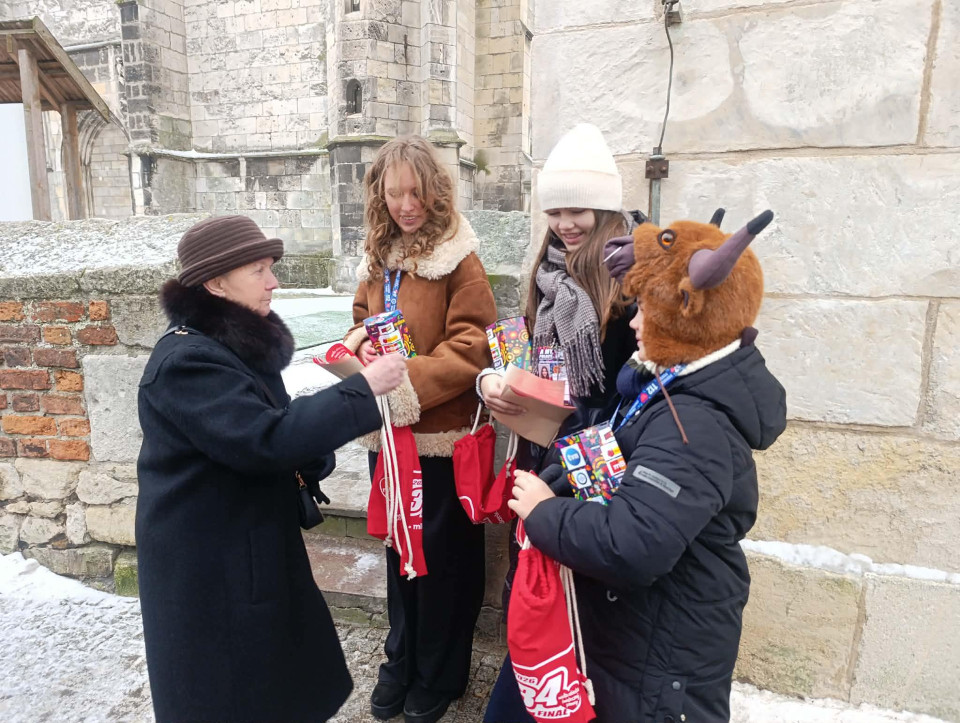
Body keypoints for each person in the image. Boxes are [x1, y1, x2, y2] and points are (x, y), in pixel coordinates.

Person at [508, 211, 788, 721]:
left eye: (648, 310)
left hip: (659, 659)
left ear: (688, 319)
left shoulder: (694, 424)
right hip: (635, 634)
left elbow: (633, 545)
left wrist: (546, 513)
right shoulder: (667, 385)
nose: (635, 322)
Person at [136, 215, 407, 723]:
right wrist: (363, 389)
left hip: (247, 546)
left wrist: (312, 449)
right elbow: (264, 441)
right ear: (216, 284)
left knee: (276, 682)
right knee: (232, 695)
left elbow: (271, 427)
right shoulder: (187, 362)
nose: (273, 282)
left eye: (270, 268)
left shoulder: (229, 345)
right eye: (258, 270)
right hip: (209, 570)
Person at [477, 123, 641, 722]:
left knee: (582, 604)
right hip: (541, 449)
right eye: (555, 212)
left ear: (605, 208)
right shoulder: (544, 273)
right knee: (534, 588)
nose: (566, 224)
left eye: (578, 211)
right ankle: (538, 682)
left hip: (599, 465)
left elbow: (633, 384)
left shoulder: (630, 276)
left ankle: (565, 693)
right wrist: (495, 383)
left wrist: (573, 417)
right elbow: (522, 354)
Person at [342, 135, 498, 723]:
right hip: (389, 435)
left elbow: (473, 345)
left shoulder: (460, 258)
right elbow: (363, 317)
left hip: (440, 438)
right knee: (398, 552)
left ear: (435, 191)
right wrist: (358, 348)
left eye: (416, 192)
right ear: (379, 194)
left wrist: (408, 385)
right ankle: (401, 659)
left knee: (441, 561)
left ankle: (439, 671)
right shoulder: (378, 255)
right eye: (394, 193)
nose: (406, 205)